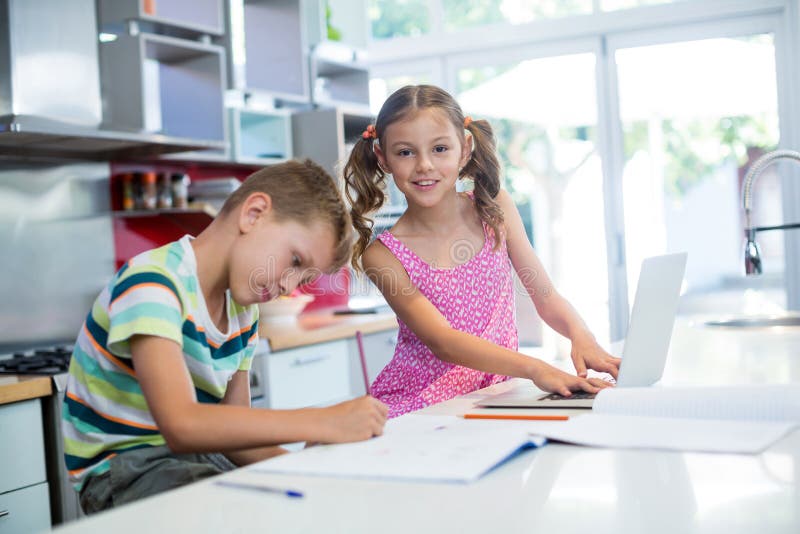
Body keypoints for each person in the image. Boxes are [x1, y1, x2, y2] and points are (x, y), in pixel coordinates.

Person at [62, 159, 387, 513]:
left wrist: (301, 470)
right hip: (128, 471)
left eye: (303, 279)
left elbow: (238, 440)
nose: (287, 287)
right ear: (254, 213)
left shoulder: (242, 313)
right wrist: (323, 421)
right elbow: (182, 424)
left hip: (195, 457)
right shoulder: (153, 283)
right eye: (295, 260)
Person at [343, 85, 621, 418]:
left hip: (494, 395)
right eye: (406, 152)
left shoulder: (493, 207)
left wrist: (582, 335)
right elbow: (443, 342)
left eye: (440, 148)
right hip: (420, 406)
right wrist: (535, 368)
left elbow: (544, 295)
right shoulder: (383, 255)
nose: (424, 165)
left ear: (465, 149)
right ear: (382, 157)